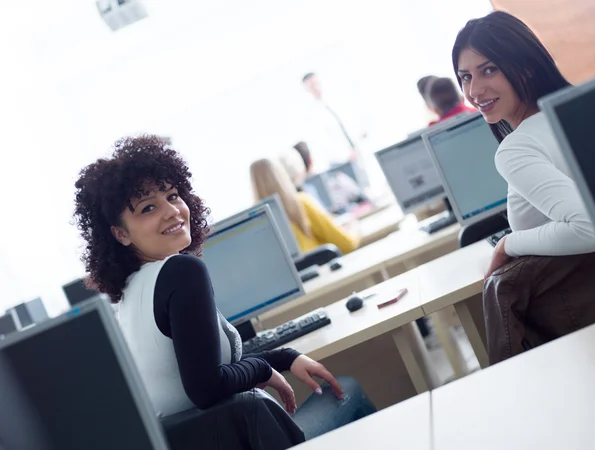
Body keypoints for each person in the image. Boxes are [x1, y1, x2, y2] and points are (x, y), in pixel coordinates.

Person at [72, 136, 375, 440]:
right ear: (120, 234)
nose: (172, 211)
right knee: (346, 389)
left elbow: (193, 373)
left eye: (173, 195)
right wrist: (261, 370)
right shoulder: (181, 271)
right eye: (148, 207)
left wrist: (283, 359)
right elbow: (206, 388)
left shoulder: (129, 295)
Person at [453, 11, 595, 359]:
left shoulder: (517, 148)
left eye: (490, 70)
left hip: (581, 331)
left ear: (526, 66)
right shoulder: (580, 112)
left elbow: (590, 227)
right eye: (466, 77)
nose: (475, 90)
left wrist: (508, 244)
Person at [250, 152, 360, 255]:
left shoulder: (256, 224)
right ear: (282, 176)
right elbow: (347, 245)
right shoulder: (301, 203)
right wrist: (353, 225)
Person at [302, 72, 364, 170]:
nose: (316, 88)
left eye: (317, 83)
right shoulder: (313, 115)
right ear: (307, 89)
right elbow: (323, 142)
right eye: (312, 86)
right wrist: (347, 155)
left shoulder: (337, 102)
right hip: (342, 162)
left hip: (359, 153)